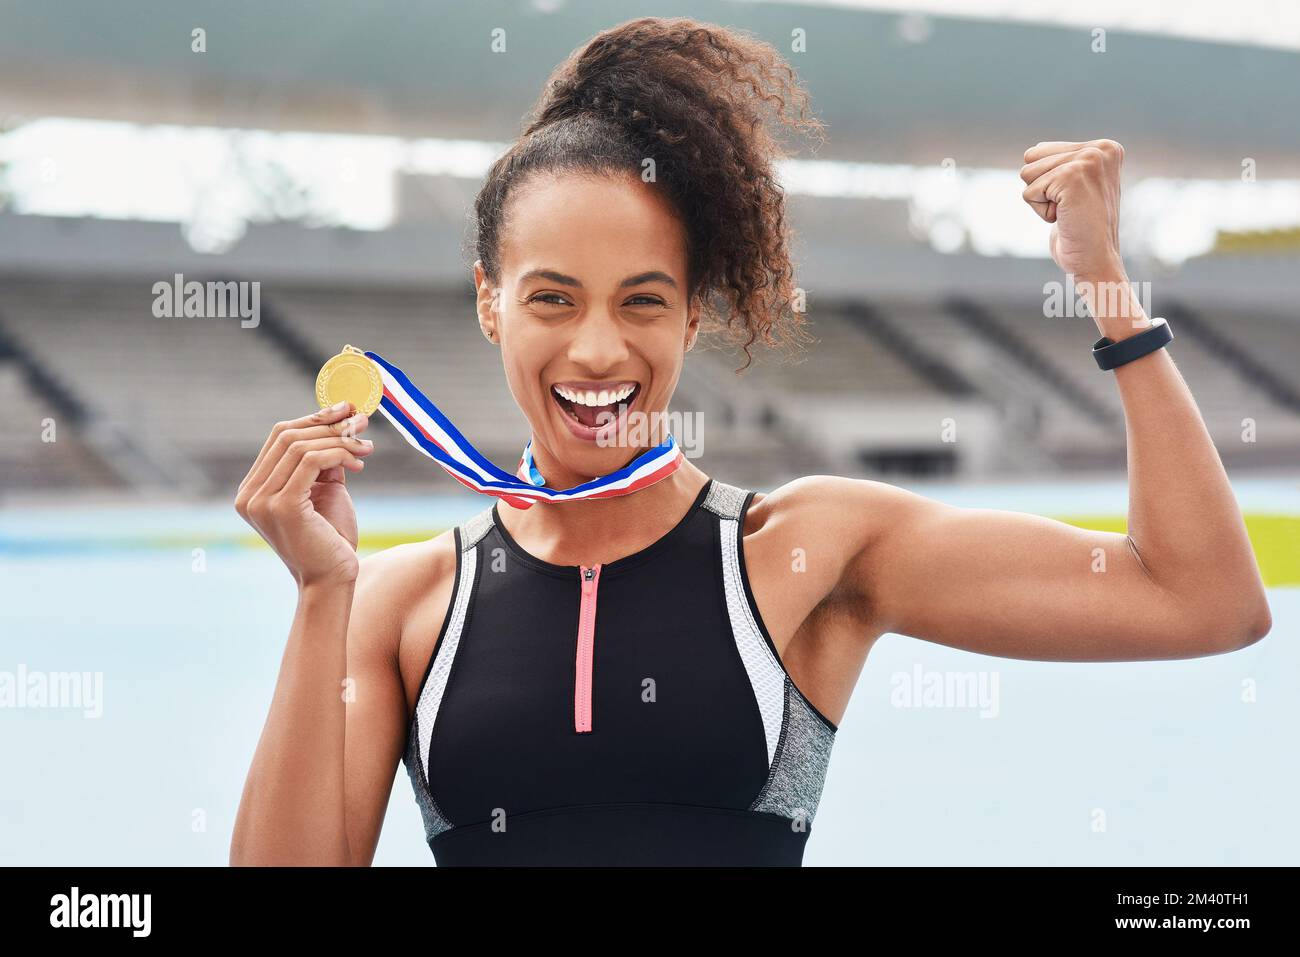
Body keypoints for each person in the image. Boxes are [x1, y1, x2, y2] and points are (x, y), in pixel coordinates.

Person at [229, 17, 1272, 867]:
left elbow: (1200, 599)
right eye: (552, 298)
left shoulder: (803, 552)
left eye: (643, 301)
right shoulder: (396, 605)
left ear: (692, 318)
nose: (597, 348)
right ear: (490, 304)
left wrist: (1111, 297)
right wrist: (322, 596)